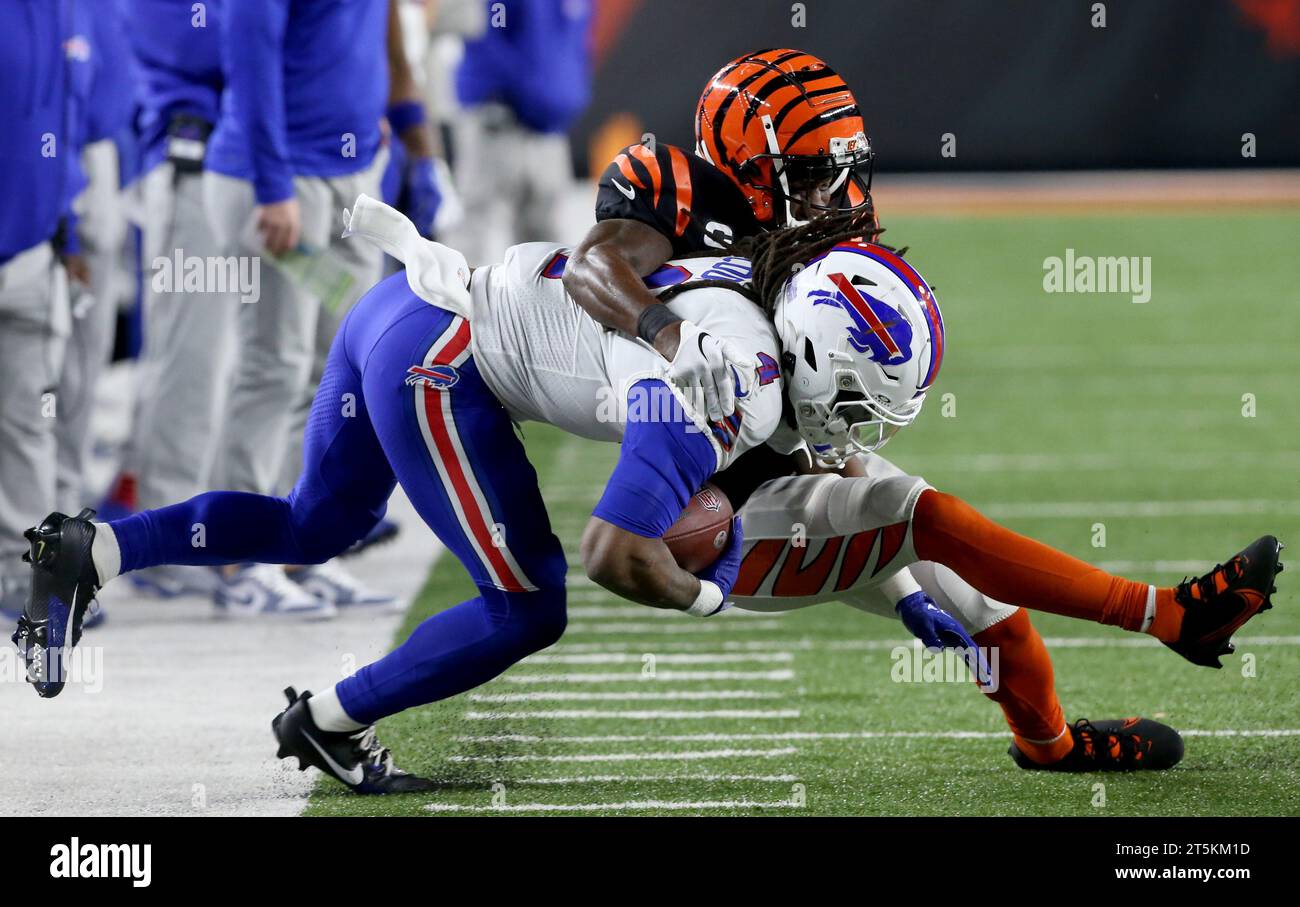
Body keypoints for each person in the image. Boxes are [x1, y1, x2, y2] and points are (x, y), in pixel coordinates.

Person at [14, 201, 1279, 792]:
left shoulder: (752, 319)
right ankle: (326, 724)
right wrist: (716, 587)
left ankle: (91, 552)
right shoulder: (722, 381)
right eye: (864, 400)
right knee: (529, 606)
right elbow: (624, 545)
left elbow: (771, 455)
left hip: (408, 311)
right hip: (442, 357)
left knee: (317, 525)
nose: (865, 427)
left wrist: (890, 591)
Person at [560, 48, 1237, 771]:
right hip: (707, 494)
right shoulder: (673, 192)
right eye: (816, 176)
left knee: (989, 610)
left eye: (848, 168)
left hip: (788, 449)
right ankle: (1163, 613)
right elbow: (590, 268)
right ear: (746, 169)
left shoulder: (821, 232)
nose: (842, 195)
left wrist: (904, 581)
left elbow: (817, 418)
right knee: (932, 522)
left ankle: (1052, 744)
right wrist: (669, 335)